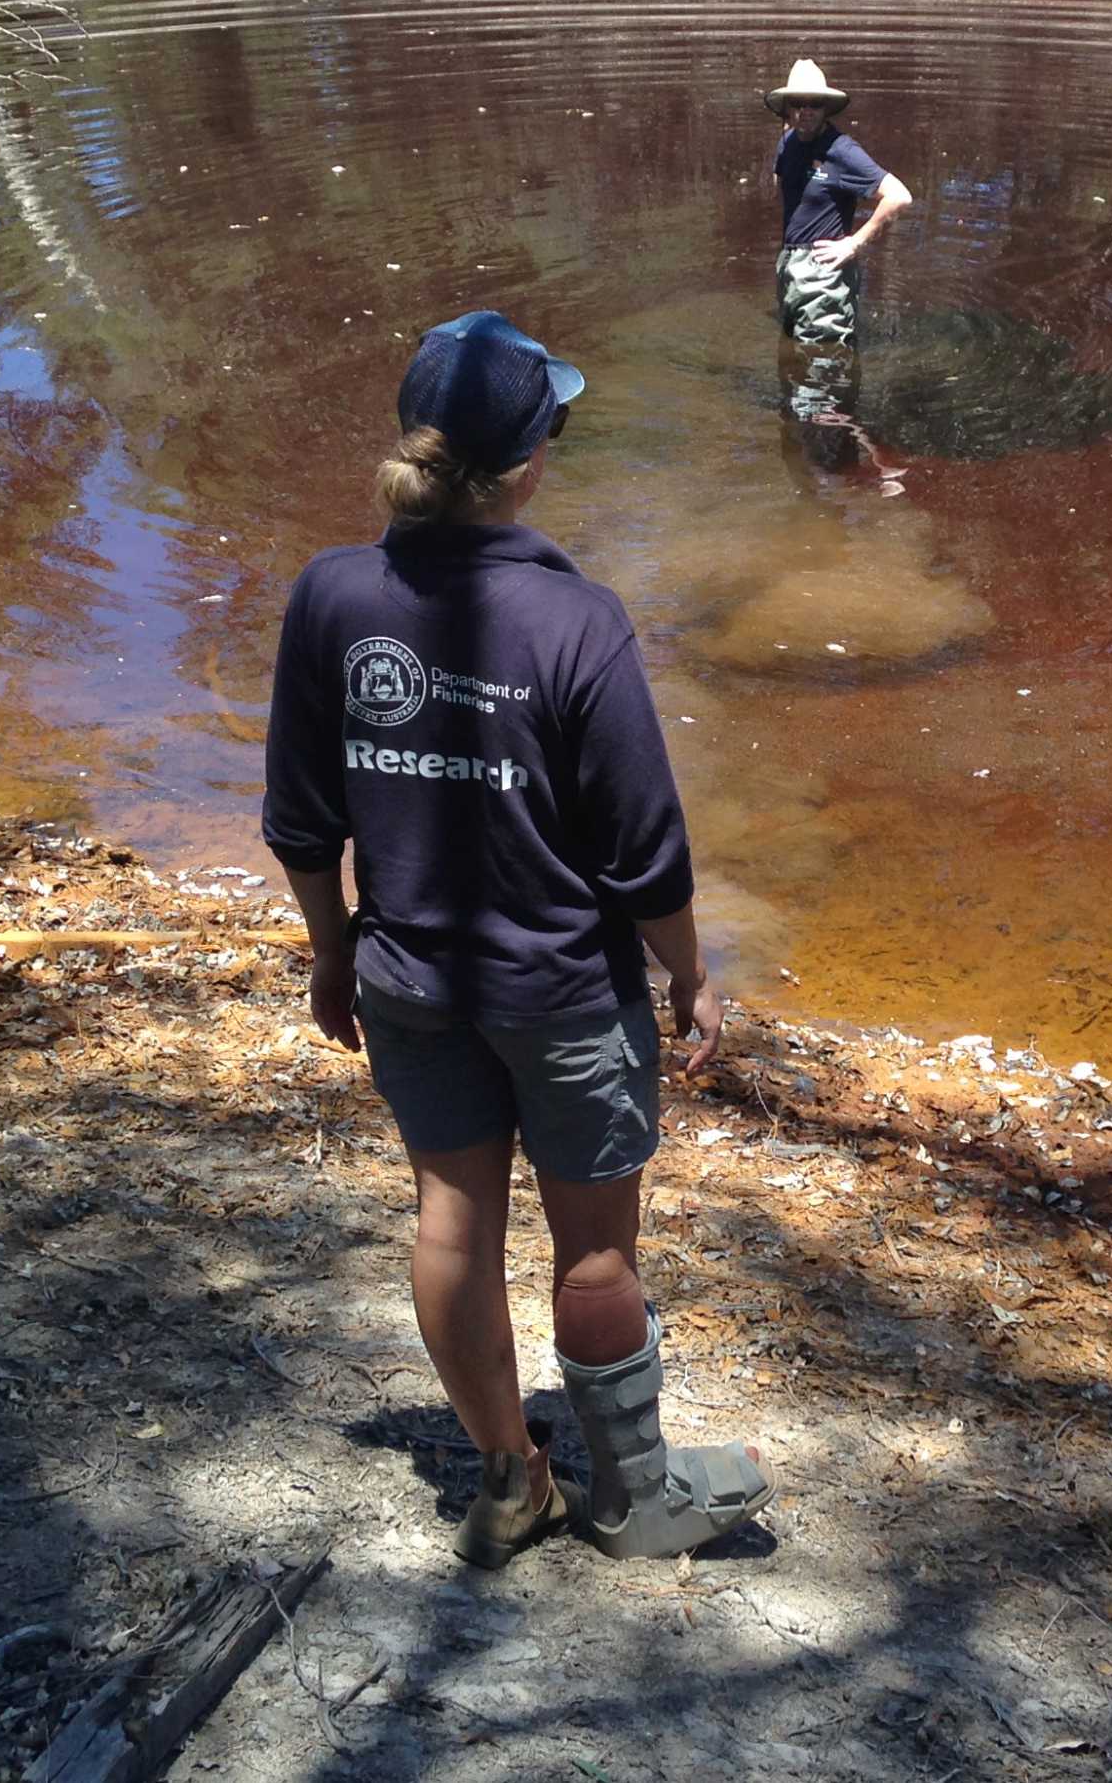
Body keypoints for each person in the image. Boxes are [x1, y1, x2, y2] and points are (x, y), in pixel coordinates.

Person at [263, 310, 777, 1569]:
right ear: (530, 464)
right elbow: (644, 850)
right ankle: (635, 1498)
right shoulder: (578, 622)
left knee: (451, 1220)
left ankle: (510, 1479)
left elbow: (301, 818)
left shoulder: (332, 596)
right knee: (594, 1247)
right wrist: (691, 975)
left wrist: (332, 951)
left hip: (409, 977)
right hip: (562, 992)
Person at [766, 57, 914, 487]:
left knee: (824, 369)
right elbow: (783, 186)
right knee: (796, 361)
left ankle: (837, 464)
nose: (805, 111)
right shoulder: (788, 143)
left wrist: (854, 242)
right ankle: (815, 451)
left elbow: (899, 195)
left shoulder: (842, 151)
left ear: (826, 108)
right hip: (790, 267)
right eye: (797, 104)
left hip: (825, 274)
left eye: (814, 104)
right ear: (787, 109)